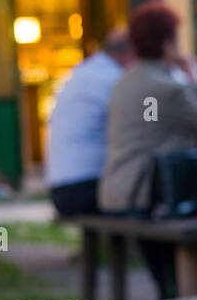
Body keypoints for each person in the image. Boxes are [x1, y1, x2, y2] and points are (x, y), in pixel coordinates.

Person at [99, 0, 197, 297]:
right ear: (168, 43)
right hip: (145, 195)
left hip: (118, 190)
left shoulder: (127, 79)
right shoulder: (167, 87)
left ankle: (176, 292)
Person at [46, 27, 133, 216]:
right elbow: (137, 126)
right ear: (130, 54)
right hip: (86, 188)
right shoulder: (113, 79)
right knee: (146, 196)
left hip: (60, 188)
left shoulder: (83, 71)